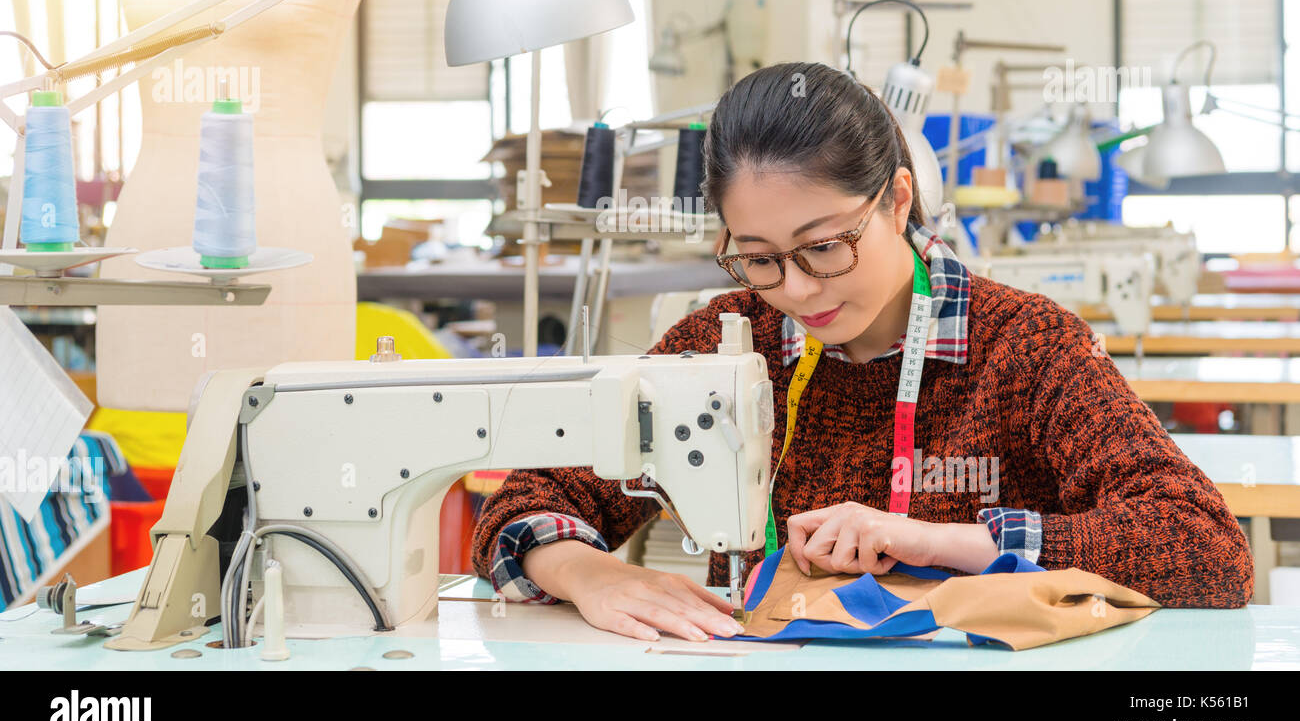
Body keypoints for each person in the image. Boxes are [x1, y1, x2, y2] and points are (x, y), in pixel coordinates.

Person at [471, 61, 1254, 643]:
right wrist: (590, 572)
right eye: (761, 256)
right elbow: (524, 498)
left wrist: (946, 541)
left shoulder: (1025, 348)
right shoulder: (722, 341)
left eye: (824, 246)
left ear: (899, 201)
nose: (800, 290)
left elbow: (1207, 548)